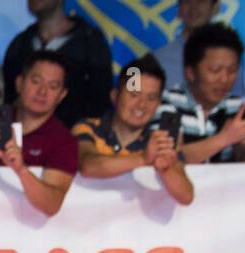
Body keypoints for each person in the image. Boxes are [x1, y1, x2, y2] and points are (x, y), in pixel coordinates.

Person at [0, 51, 78, 216]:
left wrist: (20, 170)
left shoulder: (64, 141)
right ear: (19, 83)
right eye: (36, 81)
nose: (42, 91)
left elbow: (52, 205)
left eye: (53, 86)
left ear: (62, 95)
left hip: (25, 235)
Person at [73, 55, 193, 205]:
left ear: (158, 104)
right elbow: (88, 166)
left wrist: (165, 169)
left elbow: (186, 196)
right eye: (134, 95)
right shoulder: (87, 127)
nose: (142, 105)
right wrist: (143, 159)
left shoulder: (159, 142)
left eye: (151, 98)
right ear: (115, 96)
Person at [156, 24, 245, 163]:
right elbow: (170, 158)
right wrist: (225, 138)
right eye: (215, 70)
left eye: (232, 70)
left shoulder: (236, 107)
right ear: (190, 72)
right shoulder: (168, 101)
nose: (224, 79)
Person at [2, 0, 112, 129]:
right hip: (22, 142)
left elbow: (100, 105)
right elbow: (7, 102)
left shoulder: (91, 43)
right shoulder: (20, 43)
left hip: (74, 142)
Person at [149, 0, 243, 93]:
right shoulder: (157, 59)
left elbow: (237, 101)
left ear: (216, 7)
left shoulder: (229, 60)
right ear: (179, 9)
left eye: (201, 1)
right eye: (187, 1)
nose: (194, 7)